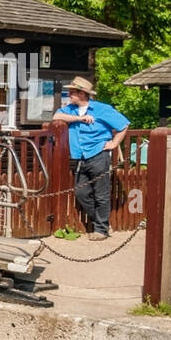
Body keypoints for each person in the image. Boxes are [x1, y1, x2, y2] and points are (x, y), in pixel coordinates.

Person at [51, 76, 128, 240]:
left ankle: (101, 230)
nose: (69, 94)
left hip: (98, 155)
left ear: (83, 94)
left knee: (101, 194)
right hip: (78, 157)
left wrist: (114, 143)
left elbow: (123, 125)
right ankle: (102, 223)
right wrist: (79, 119)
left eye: (72, 92)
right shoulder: (69, 109)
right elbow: (56, 117)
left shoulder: (102, 109)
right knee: (81, 192)